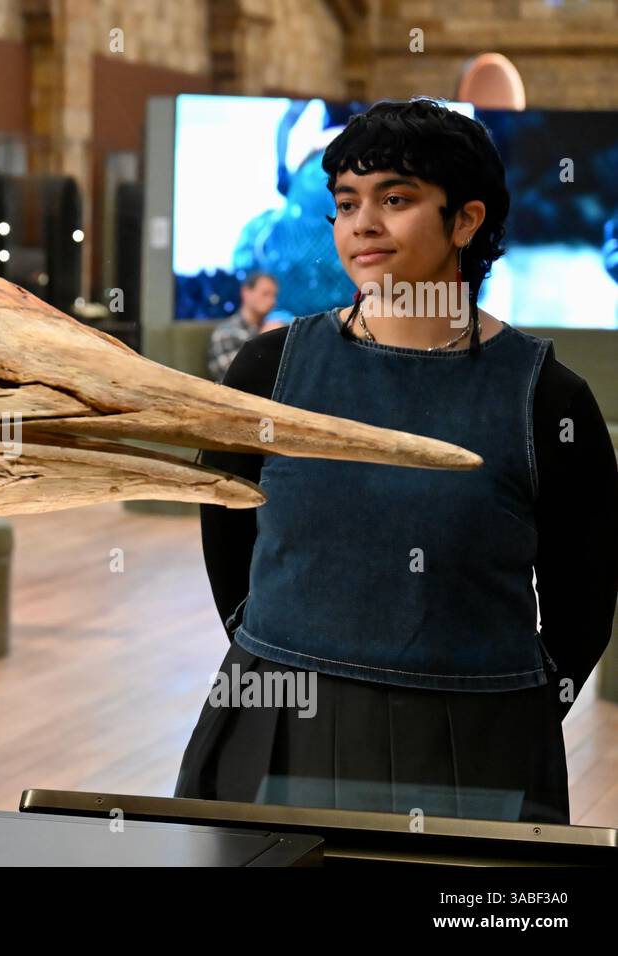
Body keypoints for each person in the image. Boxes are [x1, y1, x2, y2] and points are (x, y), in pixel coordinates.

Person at [174, 97, 618, 825]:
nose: (363, 225)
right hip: (276, 724)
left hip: (472, 747)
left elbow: (583, 608)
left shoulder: (549, 401)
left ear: (467, 219)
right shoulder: (267, 371)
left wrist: (505, 715)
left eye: (397, 199)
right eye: (347, 203)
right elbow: (227, 532)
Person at [206, 272, 279, 381]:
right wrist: (266, 340)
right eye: (265, 294)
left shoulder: (272, 326)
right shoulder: (226, 333)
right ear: (246, 293)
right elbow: (237, 380)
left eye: (274, 296)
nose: (273, 301)